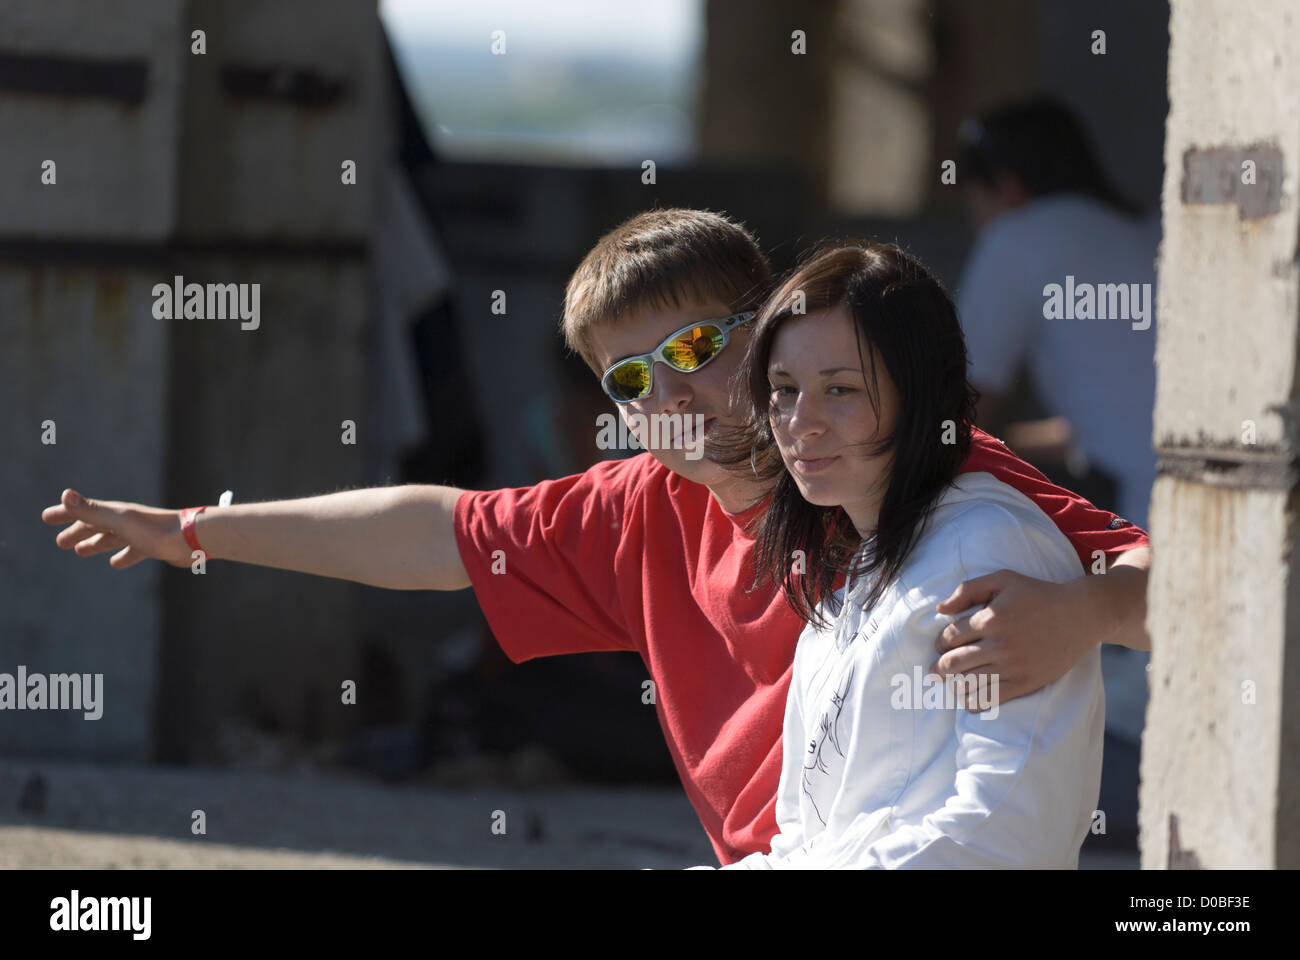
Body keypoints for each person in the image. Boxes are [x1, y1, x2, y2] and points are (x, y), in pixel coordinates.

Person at [42, 208, 1150, 867]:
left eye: (701, 347)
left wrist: (1087, 611)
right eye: (630, 379)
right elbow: (434, 532)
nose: (675, 396)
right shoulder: (633, 507)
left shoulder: (919, 475)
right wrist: (194, 531)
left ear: (772, 331)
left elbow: (1184, 584)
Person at [704, 244, 1103, 868]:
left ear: (917, 394)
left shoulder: (989, 546)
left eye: (840, 389)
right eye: (783, 389)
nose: (800, 422)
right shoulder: (842, 593)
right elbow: (801, 841)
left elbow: (1007, 831)